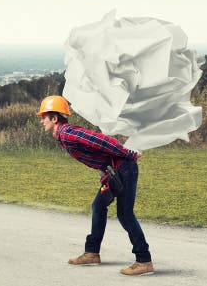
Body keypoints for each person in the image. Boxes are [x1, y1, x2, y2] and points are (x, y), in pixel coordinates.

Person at [37, 95, 154, 276]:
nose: (41, 120)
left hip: (124, 168)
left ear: (54, 118)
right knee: (98, 206)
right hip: (114, 171)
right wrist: (105, 173)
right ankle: (92, 253)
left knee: (125, 214)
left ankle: (144, 260)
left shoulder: (67, 133)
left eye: (43, 116)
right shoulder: (63, 135)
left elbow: (101, 141)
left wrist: (128, 153)